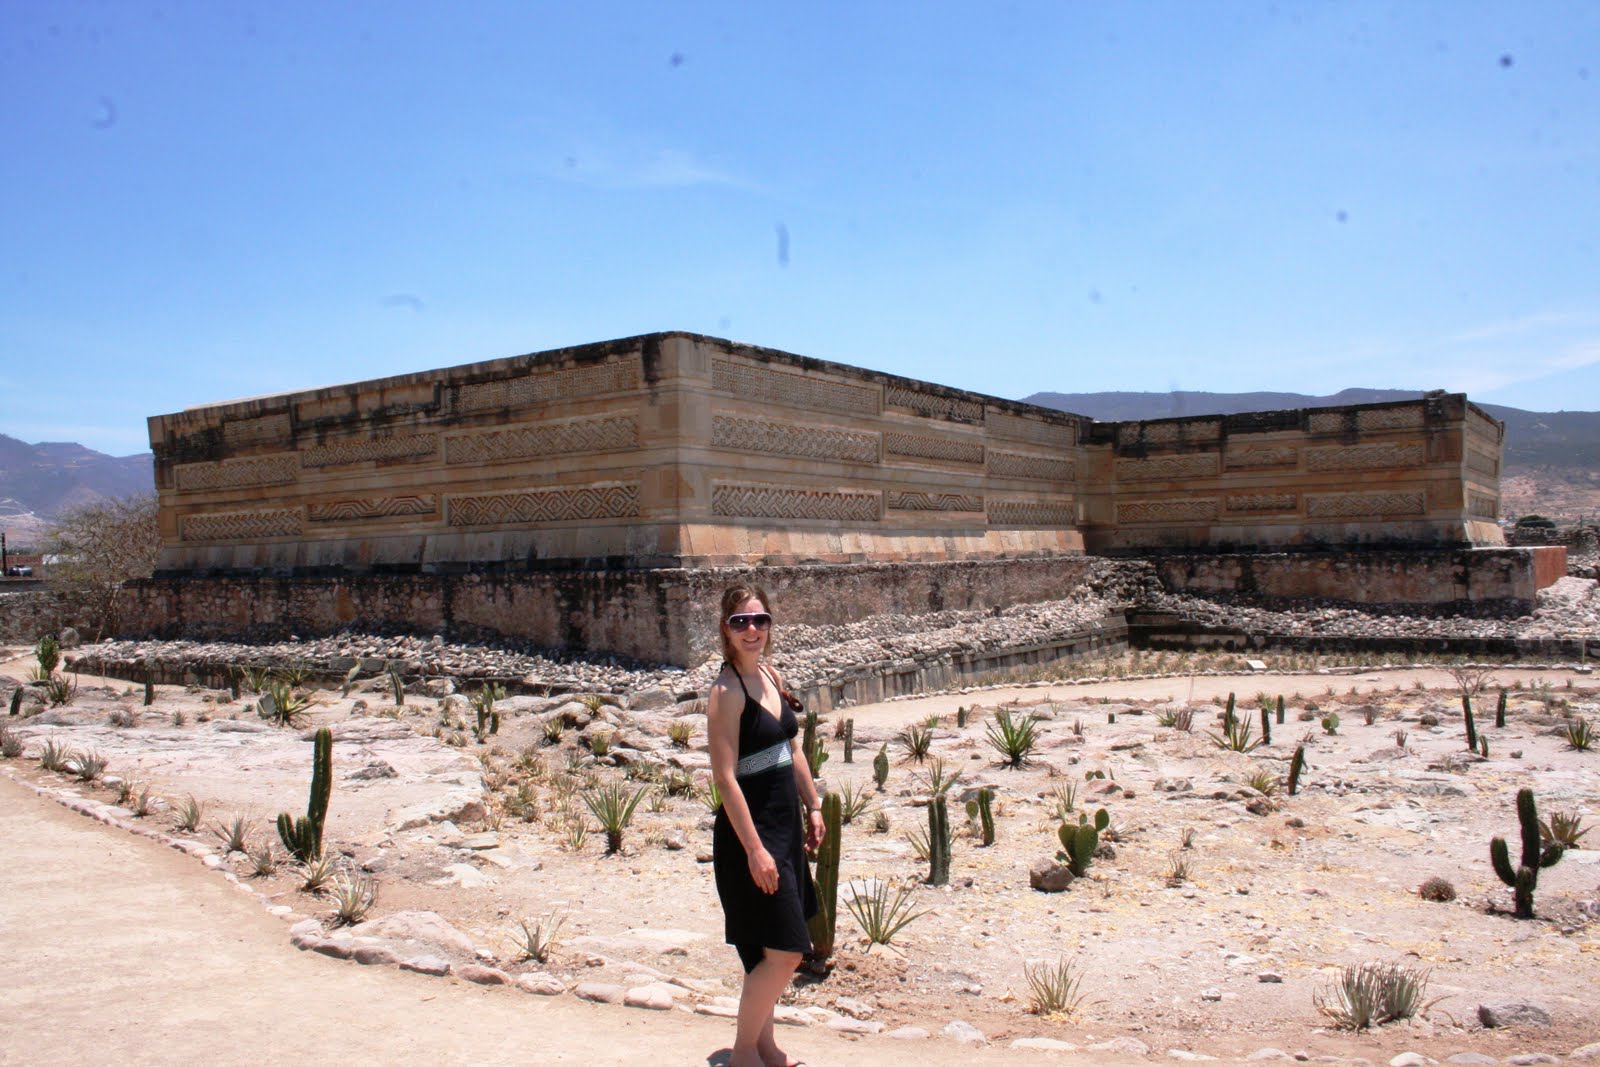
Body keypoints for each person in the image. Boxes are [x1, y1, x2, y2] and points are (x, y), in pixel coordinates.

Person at [707, 583, 825, 1067]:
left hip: (785, 826)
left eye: (759, 620)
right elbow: (724, 778)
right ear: (726, 630)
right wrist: (755, 849)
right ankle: (741, 1056)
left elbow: (791, 749)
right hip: (750, 835)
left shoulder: (771, 676)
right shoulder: (725, 692)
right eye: (741, 622)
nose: (752, 630)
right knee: (787, 952)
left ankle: (766, 1048)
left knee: (765, 953)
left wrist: (813, 805)